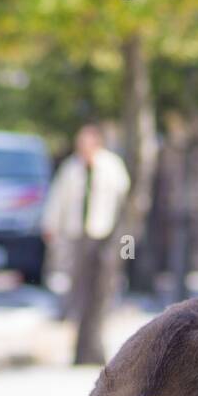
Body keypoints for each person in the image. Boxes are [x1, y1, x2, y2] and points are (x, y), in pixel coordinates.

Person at [42, 124, 130, 364]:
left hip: (104, 235)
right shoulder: (71, 168)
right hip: (78, 236)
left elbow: (123, 203)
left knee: (101, 292)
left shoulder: (112, 168)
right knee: (79, 292)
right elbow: (58, 199)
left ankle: (97, 348)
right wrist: (50, 226)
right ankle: (80, 350)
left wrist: (123, 240)